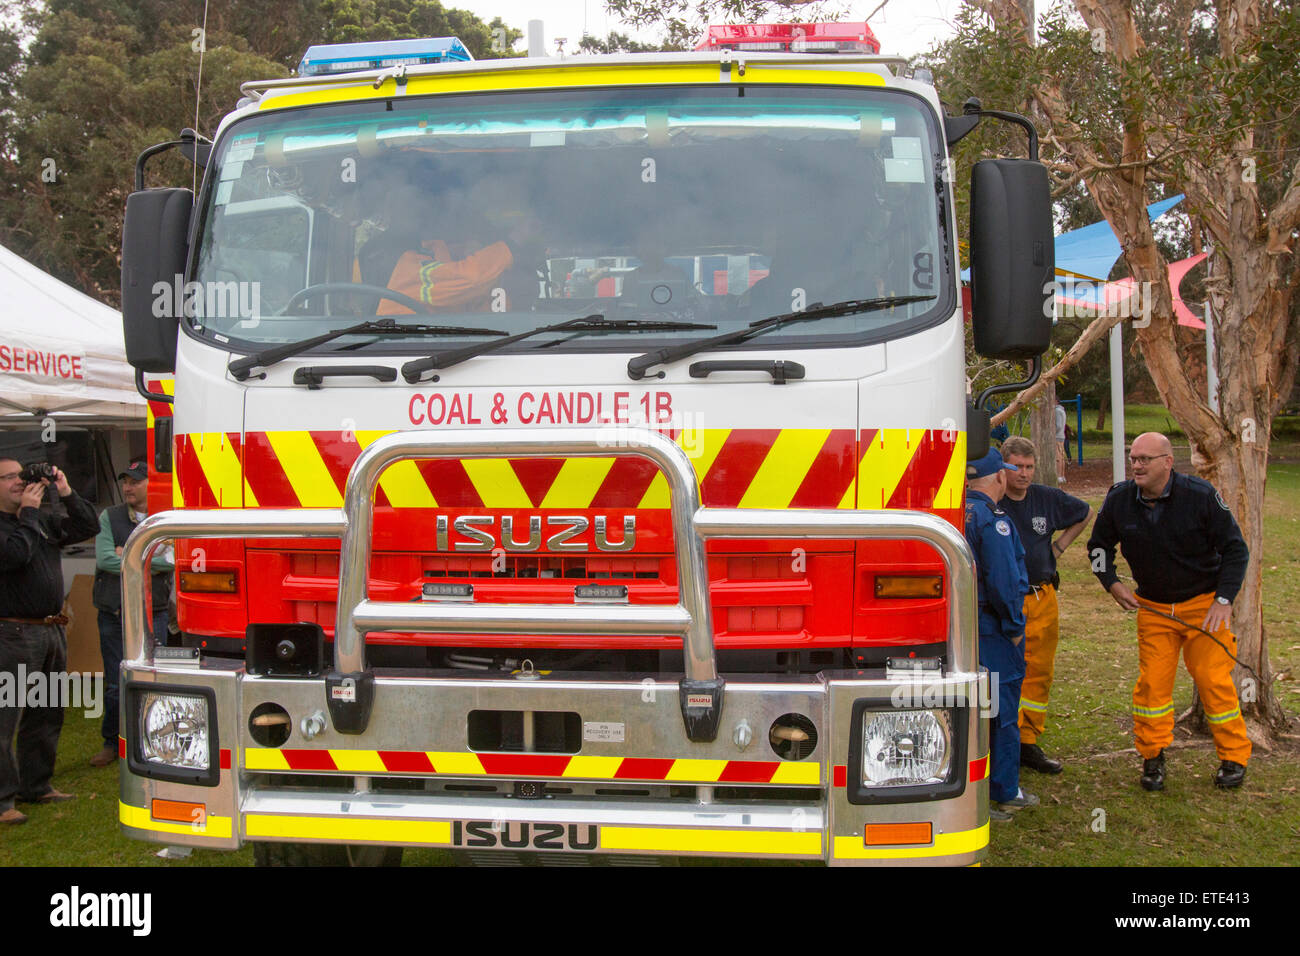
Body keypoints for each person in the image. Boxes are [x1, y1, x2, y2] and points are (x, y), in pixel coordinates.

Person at [1086, 432, 1251, 791]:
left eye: (1146, 458)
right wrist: (1111, 583)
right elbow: (1098, 547)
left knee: (1213, 681)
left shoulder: (1201, 496)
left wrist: (1224, 600)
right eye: (1134, 458)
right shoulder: (1119, 500)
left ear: (1167, 462)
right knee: (1153, 686)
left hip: (1202, 607)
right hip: (1155, 609)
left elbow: (1236, 550)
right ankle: (1153, 757)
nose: (1137, 465)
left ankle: (1234, 757)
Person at [0, 459, 99, 825]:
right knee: (5, 717)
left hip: (50, 629)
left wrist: (66, 491)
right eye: (9, 477)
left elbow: (88, 526)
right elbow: (14, 556)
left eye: (20, 475)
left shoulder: (40, 520)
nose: (18, 482)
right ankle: (2, 800)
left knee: (46, 712)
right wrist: (27, 512)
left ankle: (36, 785)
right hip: (12, 633)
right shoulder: (21, 522)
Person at [998, 436, 1092, 774]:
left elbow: (1085, 512)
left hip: (1043, 598)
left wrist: (1060, 547)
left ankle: (1028, 742)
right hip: (1007, 602)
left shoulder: (1046, 499)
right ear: (1003, 467)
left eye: (1029, 467)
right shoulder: (991, 502)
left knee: (1040, 672)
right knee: (1007, 672)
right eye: (1016, 467)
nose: (1023, 474)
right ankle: (999, 741)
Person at [964, 448, 1036, 820]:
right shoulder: (995, 521)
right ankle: (1004, 792)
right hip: (993, 631)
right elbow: (1005, 582)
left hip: (958, 630)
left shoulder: (950, 514)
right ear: (999, 477)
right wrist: (1013, 628)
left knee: (964, 710)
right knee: (1001, 713)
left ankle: (966, 794)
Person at [89, 461, 172, 768]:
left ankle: (151, 741)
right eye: (125, 482)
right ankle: (112, 742)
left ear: (152, 484)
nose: (128, 488)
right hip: (114, 611)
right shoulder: (108, 517)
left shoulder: (165, 518)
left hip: (154, 612)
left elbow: (177, 561)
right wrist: (151, 555)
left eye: (135, 482)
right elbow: (105, 560)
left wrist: (130, 553)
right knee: (115, 681)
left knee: (154, 678)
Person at [1054, 403, 1068, 482]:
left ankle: (1059, 476)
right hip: (1061, 435)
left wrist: (1052, 433)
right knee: (1061, 456)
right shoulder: (1062, 410)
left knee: (1058, 456)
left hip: (1057, 436)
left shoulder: (1057, 411)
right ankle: (1061, 475)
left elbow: (1058, 425)